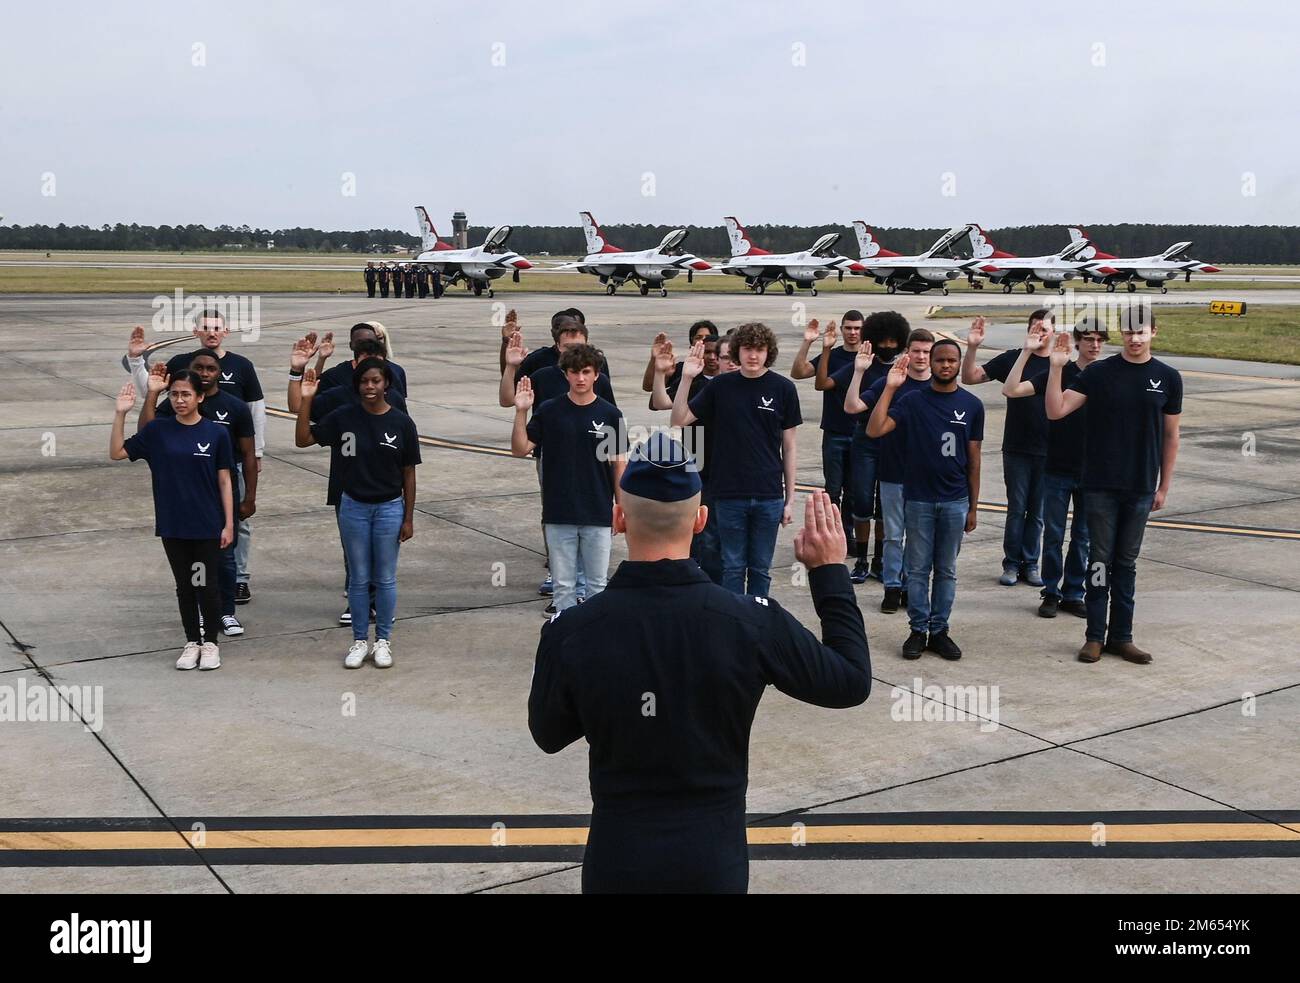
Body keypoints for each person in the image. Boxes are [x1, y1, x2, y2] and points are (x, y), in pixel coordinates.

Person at [527, 436, 870, 895]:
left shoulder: (572, 631)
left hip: (618, 859)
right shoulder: (750, 621)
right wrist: (829, 572)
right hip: (713, 862)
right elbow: (849, 682)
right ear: (702, 521)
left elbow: (549, 735)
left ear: (618, 519)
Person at [1045, 305, 1182, 665]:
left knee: (1126, 564)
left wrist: (1164, 486)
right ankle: (1094, 636)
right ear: (1122, 333)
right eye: (1129, 332)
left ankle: (1122, 637)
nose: (1135, 339)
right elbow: (1055, 410)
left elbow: (1171, 436)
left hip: (1140, 486)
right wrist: (1056, 369)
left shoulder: (1168, 378)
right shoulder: (1100, 373)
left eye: (1142, 332)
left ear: (1154, 332)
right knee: (1099, 561)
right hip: (1101, 485)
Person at [126, 310, 264, 605]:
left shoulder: (241, 366)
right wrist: (137, 361)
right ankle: (202, 592)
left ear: (226, 331)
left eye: (216, 327)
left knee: (237, 523)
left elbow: (255, 409)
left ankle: (239, 580)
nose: (211, 332)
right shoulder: (180, 364)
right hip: (193, 466)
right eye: (205, 327)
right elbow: (152, 395)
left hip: (233, 463)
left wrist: (259, 452)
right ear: (195, 331)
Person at [296, 358, 421, 668]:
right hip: (353, 506)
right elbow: (303, 439)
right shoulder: (343, 417)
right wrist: (307, 399)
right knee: (359, 578)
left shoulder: (401, 422)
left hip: (390, 508)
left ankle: (383, 640)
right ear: (357, 385)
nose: (369, 386)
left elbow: (409, 473)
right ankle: (359, 640)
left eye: (376, 381)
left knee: (385, 578)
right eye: (364, 381)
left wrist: (408, 517)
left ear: (386, 384)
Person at [867, 338, 982, 660]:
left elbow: (974, 460)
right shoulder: (913, 400)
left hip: (955, 501)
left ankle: (940, 629)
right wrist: (890, 388)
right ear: (930, 363)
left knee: (946, 570)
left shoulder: (972, 405)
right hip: (917, 499)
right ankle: (918, 629)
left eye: (951, 360)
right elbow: (875, 430)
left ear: (959, 364)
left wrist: (973, 506)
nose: (945, 365)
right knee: (917, 570)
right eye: (940, 360)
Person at [109, 377, 234, 671]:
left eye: (186, 394)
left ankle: (211, 643)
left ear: (200, 397)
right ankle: (192, 641)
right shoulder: (158, 431)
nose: (180, 400)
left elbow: (225, 480)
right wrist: (120, 414)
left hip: (206, 524)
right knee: (185, 586)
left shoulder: (216, 433)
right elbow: (116, 453)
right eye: (175, 394)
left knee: (207, 585)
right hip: (173, 523)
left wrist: (228, 523)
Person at [672, 323, 800, 597]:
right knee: (732, 567)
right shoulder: (720, 386)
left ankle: (758, 623)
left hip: (768, 494)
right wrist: (685, 379)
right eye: (747, 349)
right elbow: (679, 420)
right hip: (729, 493)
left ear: (769, 353)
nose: (753, 355)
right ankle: (733, 627)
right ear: (737, 352)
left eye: (760, 350)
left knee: (760, 569)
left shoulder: (784, 388)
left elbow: (789, 447)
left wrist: (789, 499)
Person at [139, 353, 257, 638]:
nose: (205, 372)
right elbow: (147, 433)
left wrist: (250, 496)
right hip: (191, 488)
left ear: (219, 372)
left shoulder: (235, 407)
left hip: (225, 481)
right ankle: (203, 618)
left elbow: (249, 454)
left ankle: (226, 612)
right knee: (195, 568)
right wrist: (152, 396)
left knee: (226, 558)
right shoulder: (174, 405)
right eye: (199, 368)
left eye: (211, 368)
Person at [500, 313, 612, 606]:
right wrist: (519, 400)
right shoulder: (545, 387)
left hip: (595, 485)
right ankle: (561, 586)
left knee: (596, 582)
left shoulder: (606, 401)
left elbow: (616, 452)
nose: (580, 375)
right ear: (557, 350)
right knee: (562, 574)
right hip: (555, 474)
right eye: (567, 350)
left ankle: (585, 595)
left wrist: (621, 502)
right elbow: (511, 413)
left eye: (586, 369)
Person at [1003, 318, 1107, 619]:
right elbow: (1011, 390)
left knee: (1084, 537)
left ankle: (1074, 593)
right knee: (1053, 534)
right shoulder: (1057, 371)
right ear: (1077, 342)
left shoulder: (1109, 376)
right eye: (1089, 339)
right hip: (1058, 466)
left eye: (1100, 340)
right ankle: (1051, 591)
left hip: (1094, 471)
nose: (1095, 345)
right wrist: (1027, 352)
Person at [843, 326, 934, 613]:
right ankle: (892, 587)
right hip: (894, 472)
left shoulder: (940, 385)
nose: (921, 356)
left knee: (919, 538)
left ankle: (912, 587)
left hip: (925, 476)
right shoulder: (891, 381)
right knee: (894, 534)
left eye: (927, 352)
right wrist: (858, 371)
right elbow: (853, 406)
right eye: (916, 350)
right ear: (907, 352)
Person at [963, 311, 1054, 587]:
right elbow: (970, 377)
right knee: (1017, 508)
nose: (1041, 333)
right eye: (1036, 328)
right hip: (1017, 447)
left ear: (1054, 331)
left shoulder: (1060, 365)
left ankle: (1031, 563)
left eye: (1045, 328)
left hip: (1049, 450)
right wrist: (973, 347)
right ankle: (1011, 564)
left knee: (1037, 512)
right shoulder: (1013, 358)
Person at [820, 311, 907, 582]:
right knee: (861, 499)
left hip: (892, 441)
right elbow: (846, 400)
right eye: (883, 341)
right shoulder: (864, 363)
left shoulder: (901, 367)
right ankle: (861, 558)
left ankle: (880, 558)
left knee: (884, 504)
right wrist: (858, 371)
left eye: (894, 342)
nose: (888, 347)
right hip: (865, 439)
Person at [650, 333, 722, 583]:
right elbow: (660, 402)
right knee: (698, 533)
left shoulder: (733, 384)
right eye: (707, 352)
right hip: (697, 466)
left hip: (728, 470)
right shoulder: (694, 381)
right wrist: (660, 372)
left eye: (717, 353)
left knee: (718, 539)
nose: (712, 358)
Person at [794, 312, 865, 558]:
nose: (853, 332)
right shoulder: (832, 355)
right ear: (842, 330)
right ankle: (831, 535)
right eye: (848, 328)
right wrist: (810, 343)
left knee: (855, 491)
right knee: (833, 490)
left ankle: (848, 534)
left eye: (857, 328)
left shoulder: (868, 357)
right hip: (835, 431)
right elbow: (799, 372)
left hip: (861, 434)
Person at [307, 322, 408, 399]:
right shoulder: (336, 376)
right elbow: (309, 394)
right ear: (351, 345)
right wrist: (321, 359)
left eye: (376, 381)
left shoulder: (396, 371)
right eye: (360, 342)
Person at [640, 320, 717, 394]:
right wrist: (655, 359)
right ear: (691, 344)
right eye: (698, 337)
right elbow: (649, 386)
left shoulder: (726, 368)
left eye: (707, 337)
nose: (702, 341)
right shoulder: (683, 369)